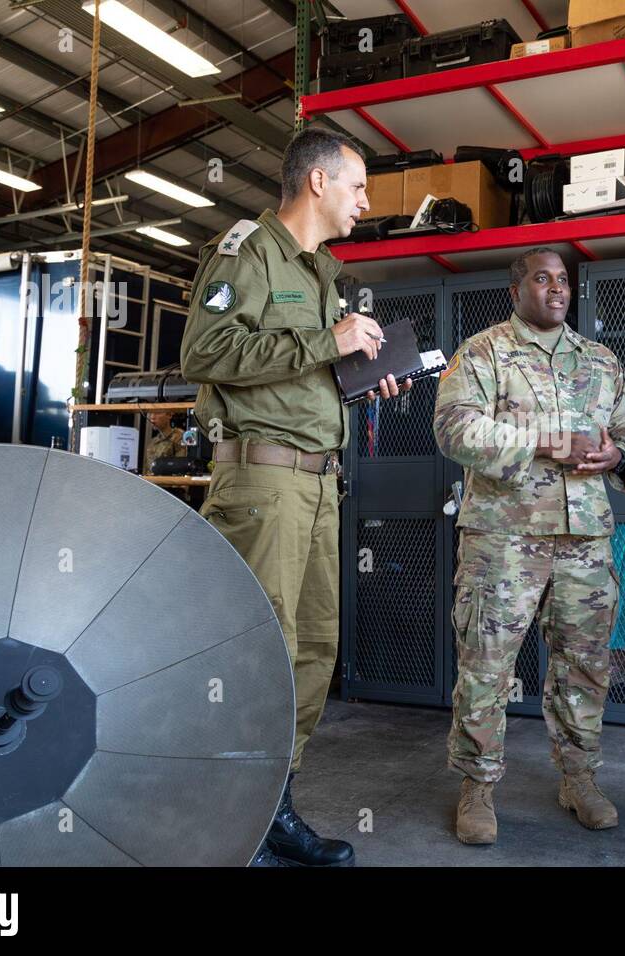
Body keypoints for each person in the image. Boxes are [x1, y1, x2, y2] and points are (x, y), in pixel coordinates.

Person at [181, 126, 406, 867]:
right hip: (262, 481)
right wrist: (326, 344)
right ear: (317, 182)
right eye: (358, 186)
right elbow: (204, 353)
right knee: (260, 650)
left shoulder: (324, 271)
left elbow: (306, 370)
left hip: (318, 481)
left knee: (313, 647)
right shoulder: (245, 251)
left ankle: (271, 804)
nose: (365, 202)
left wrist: (361, 375)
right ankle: (226, 815)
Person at [433, 247, 625, 845]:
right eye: (542, 278)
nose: (556, 289)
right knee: (486, 666)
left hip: (585, 541)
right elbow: (454, 428)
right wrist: (547, 441)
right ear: (517, 289)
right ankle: (476, 788)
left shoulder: (600, 359)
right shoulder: (484, 352)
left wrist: (620, 455)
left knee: (585, 666)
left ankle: (579, 779)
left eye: (563, 280)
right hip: (503, 541)